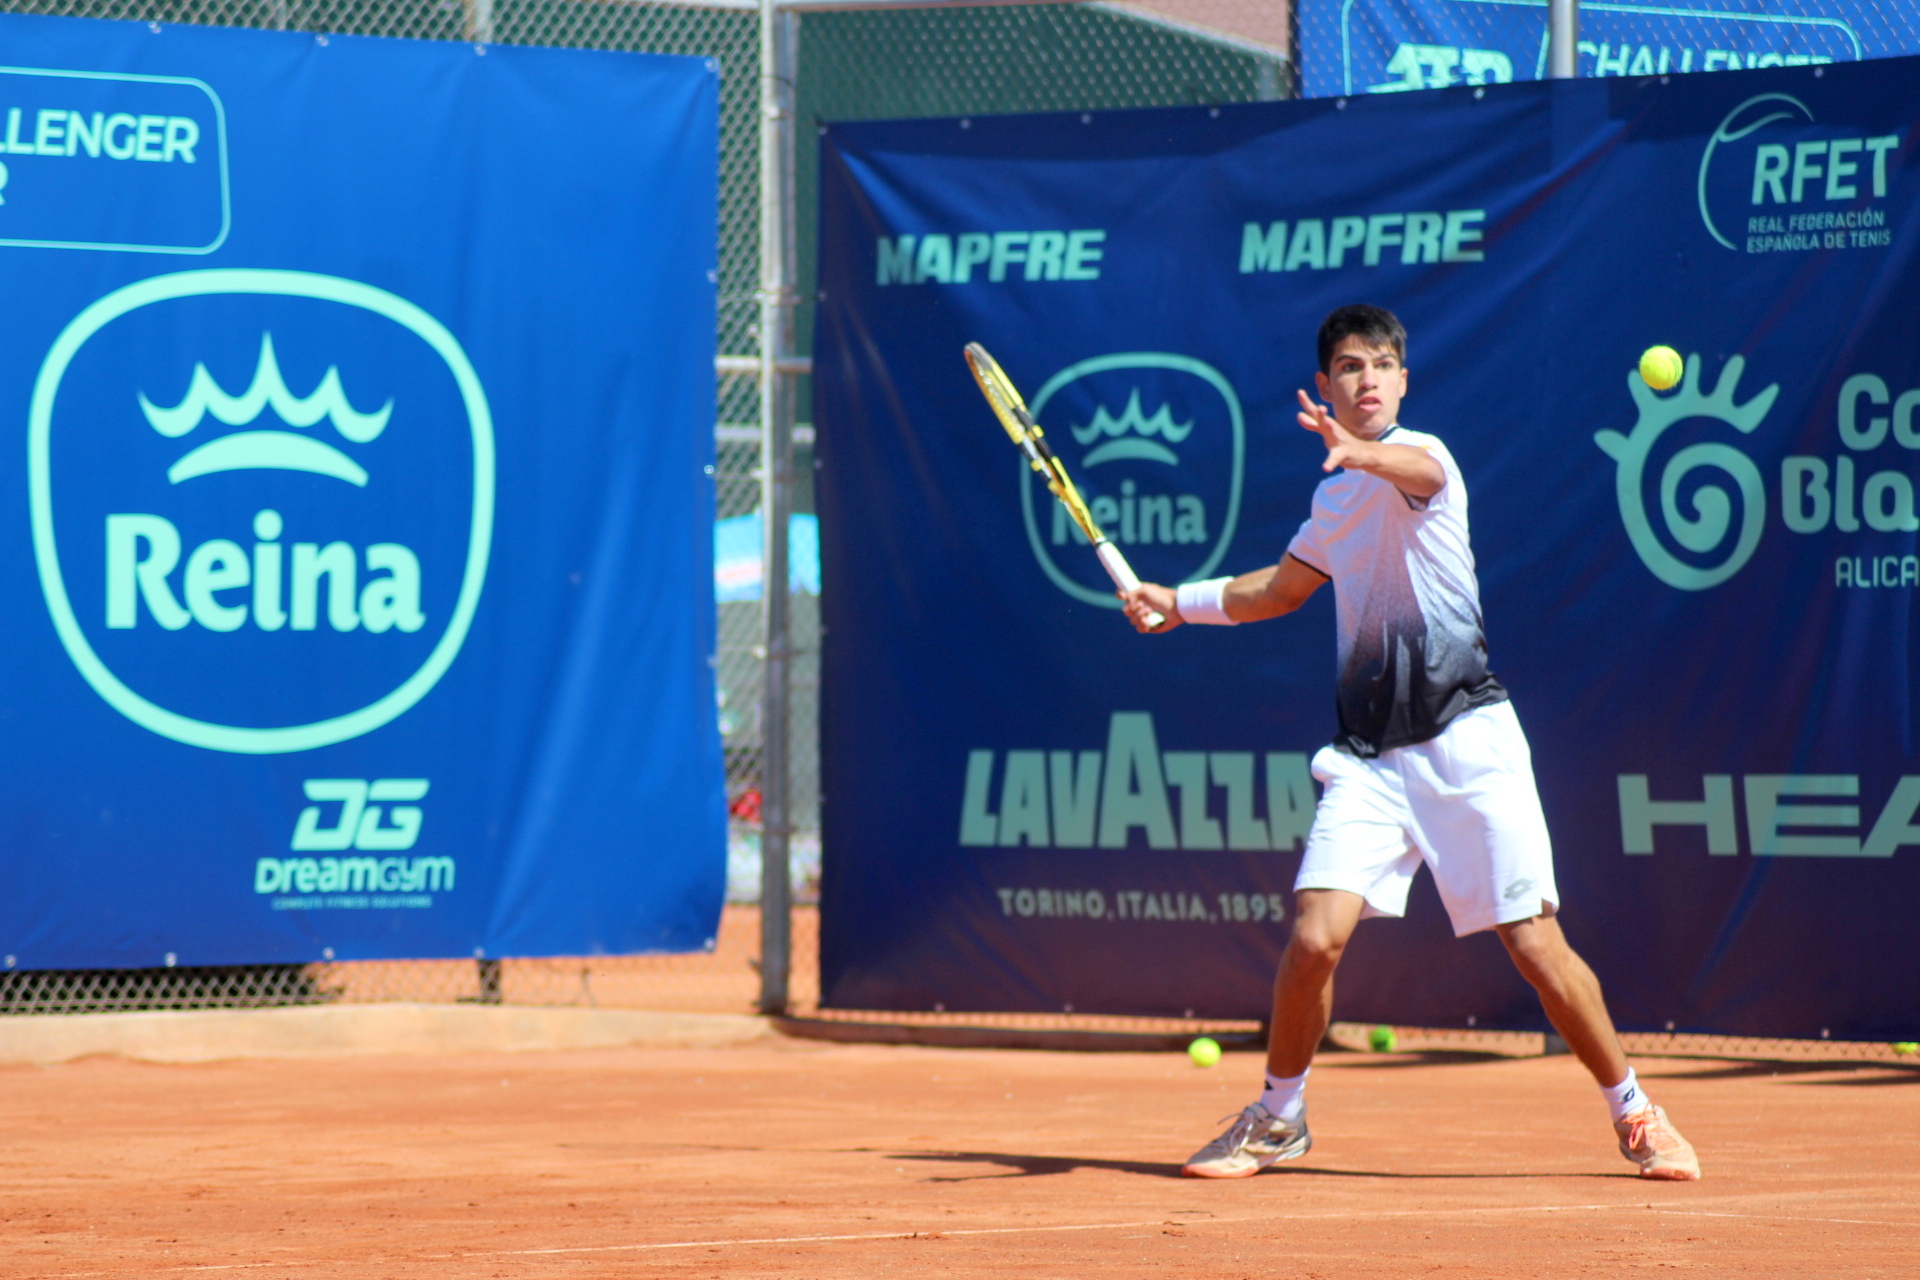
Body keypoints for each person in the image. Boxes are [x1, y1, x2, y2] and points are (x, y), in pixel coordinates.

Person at [1120, 304, 1700, 1182]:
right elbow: (1278, 589)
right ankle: (1279, 1115)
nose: (1366, 380)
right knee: (1315, 938)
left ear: (1403, 379)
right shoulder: (1334, 496)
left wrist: (1363, 453)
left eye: (1382, 365)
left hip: (1469, 743)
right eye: (1349, 367)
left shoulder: (1425, 462)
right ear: (1324, 385)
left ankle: (1635, 1111)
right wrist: (1178, 600)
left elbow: (1414, 468)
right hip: (1370, 758)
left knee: (1536, 945)